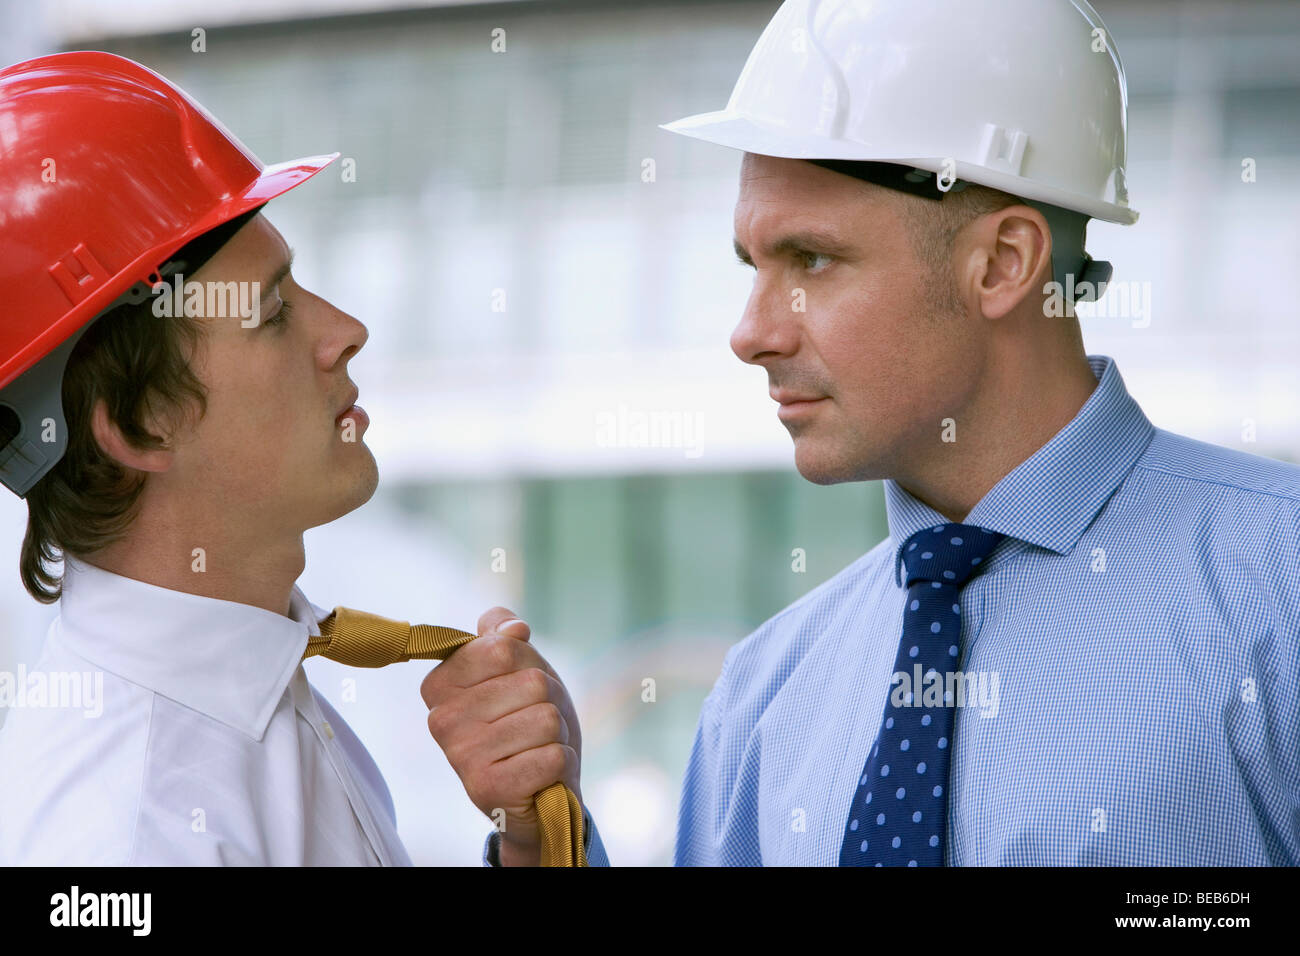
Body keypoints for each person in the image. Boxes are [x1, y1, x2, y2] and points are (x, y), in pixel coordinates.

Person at [445, 0, 1300, 865]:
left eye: (811, 260)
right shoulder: (761, 696)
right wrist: (541, 845)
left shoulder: (1283, 581)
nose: (751, 334)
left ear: (1004, 264)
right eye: (754, 266)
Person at [0, 51, 581, 865]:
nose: (346, 330)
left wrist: (534, 844)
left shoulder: (257, 692)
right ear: (138, 426)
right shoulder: (126, 834)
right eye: (272, 312)